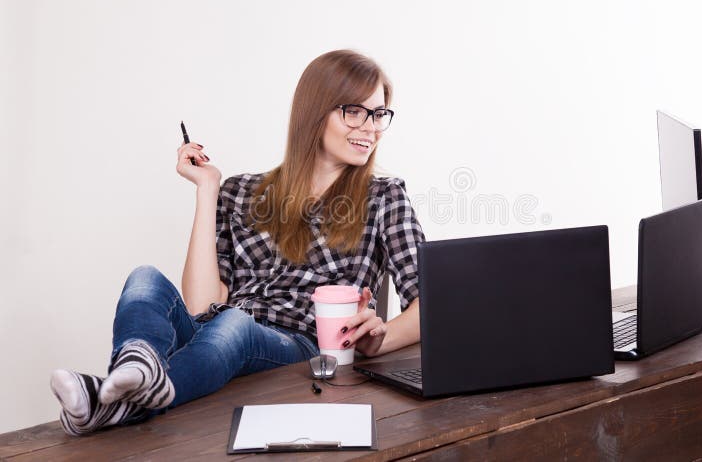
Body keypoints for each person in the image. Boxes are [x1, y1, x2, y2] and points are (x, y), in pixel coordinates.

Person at [49, 50, 425, 435]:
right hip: (215, 339)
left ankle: (110, 401)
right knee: (144, 280)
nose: (371, 127)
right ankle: (130, 379)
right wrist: (207, 189)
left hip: (299, 346)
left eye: (379, 114)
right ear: (317, 112)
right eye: (355, 112)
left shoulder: (384, 198)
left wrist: (378, 342)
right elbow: (200, 306)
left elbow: (430, 305)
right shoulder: (240, 192)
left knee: (235, 324)